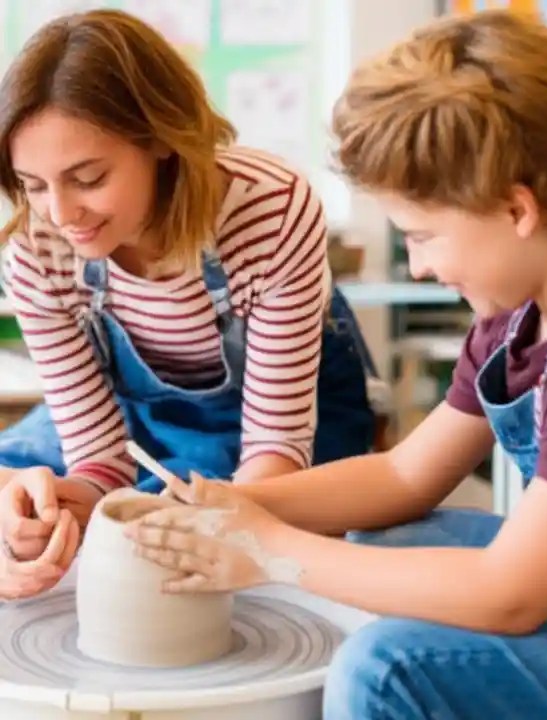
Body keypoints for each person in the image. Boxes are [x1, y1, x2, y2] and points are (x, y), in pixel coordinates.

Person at [121, 10, 547, 720]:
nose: (419, 267)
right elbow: (405, 475)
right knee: (381, 537)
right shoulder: (513, 317)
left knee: (383, 668)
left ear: (517, 208)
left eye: (422, 236)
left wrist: (270, 551)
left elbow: (513, 594)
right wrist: (241, 506)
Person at [0, 9, 377, 600]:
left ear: (160, 140)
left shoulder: (271, 209)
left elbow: (276, 447)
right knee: (20, 487)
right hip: (131, 420)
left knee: (295, 545)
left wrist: (222, 528)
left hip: (282, 421)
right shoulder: (35, 248)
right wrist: (71, 508)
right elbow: (98, 456)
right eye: (34, 184)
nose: (60, 214)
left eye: (89, 177)